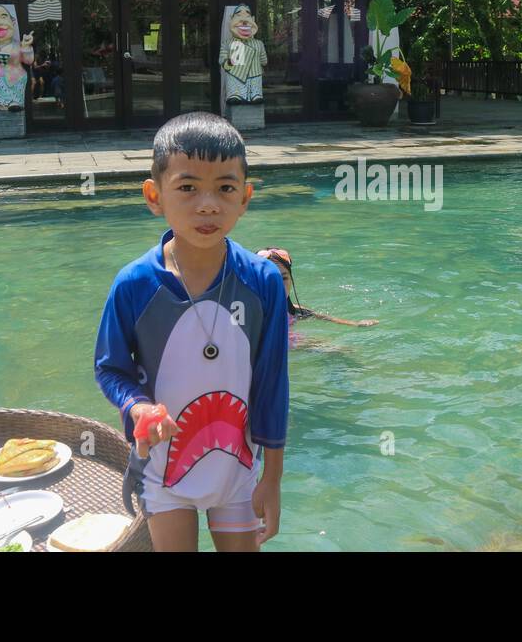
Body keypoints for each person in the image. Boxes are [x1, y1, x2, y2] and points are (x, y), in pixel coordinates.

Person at [95, 112, 288, 552]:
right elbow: (110, 369)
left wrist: (273, 478)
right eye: (187, 188)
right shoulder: (134, 284)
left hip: (238, 468)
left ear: (245, 197)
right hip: (162, 467)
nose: (207, 204)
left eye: (225, 188)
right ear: (154, 195)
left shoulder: (262, 282)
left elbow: (272, 385)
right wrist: (137, 408)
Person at [256, 247, 379, 346]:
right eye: (270, 279)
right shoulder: (253, 311)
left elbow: (319, 316)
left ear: (291, 279)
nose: (280, 285)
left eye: (284, 278)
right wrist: (316, 344)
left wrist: (354, 323)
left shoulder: (290, 309)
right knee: (336, 349)